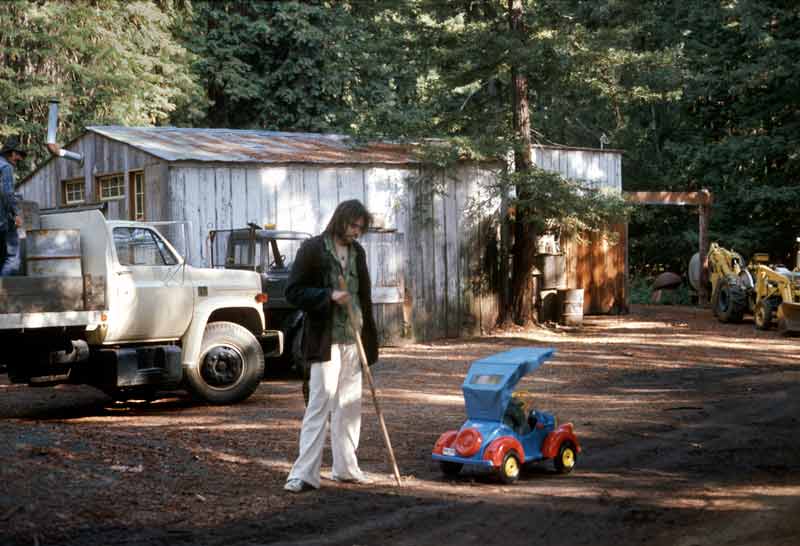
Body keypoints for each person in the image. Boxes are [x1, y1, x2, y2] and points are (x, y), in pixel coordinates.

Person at [283, 199, 379, 493]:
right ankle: (303, 474)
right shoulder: (313, 250)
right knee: (319, 404)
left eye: (361, 228)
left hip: (353, 338)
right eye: (353, 226)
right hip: (325, 340)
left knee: (349, 406)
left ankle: (346, 468)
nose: (356, 232)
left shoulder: (357, 252)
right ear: (340, 221)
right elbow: (293, 291)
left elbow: (364, 296)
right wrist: (328, 296)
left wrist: (369, 337)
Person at [0, 137, 26, 276]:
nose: (20, 158)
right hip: (3, 220)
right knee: (13, 259)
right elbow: (7, 193)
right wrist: (16, 213)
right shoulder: (5, 167)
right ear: (11, 153)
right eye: (19, 155)